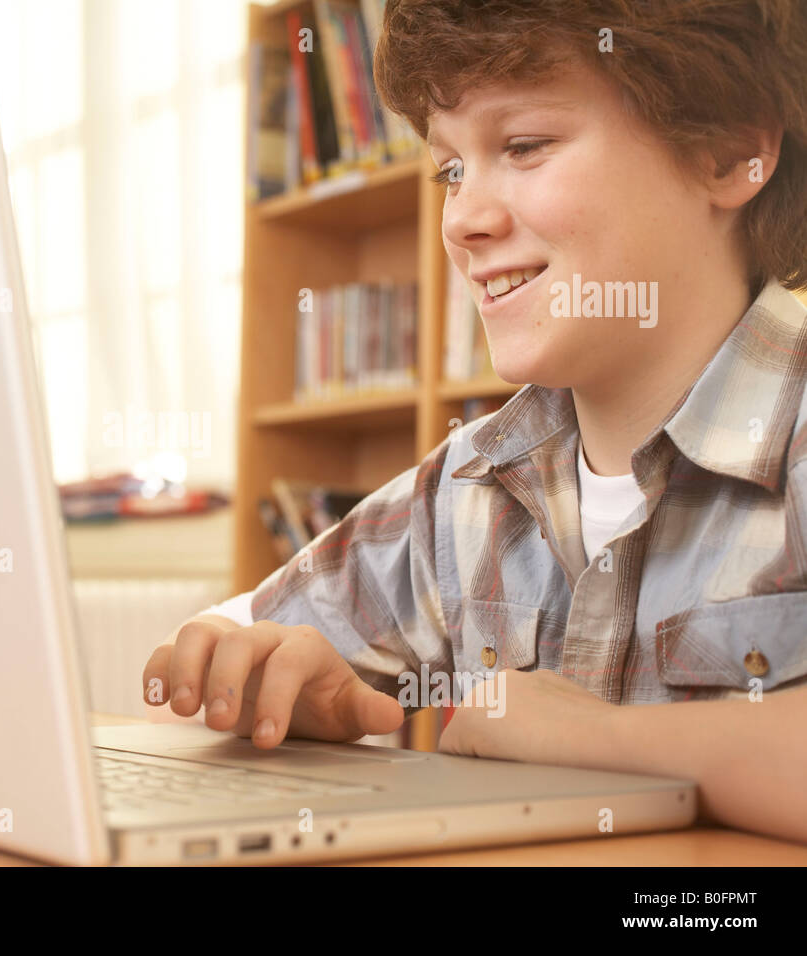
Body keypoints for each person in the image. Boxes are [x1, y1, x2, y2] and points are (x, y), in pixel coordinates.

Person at [143, 0, 807, 843]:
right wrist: (263, 690)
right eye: (450, 169)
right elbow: (197, 667)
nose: (461, 221)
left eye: (524, 147)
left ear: (729, 151)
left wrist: (604, 743)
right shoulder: (467, 486)